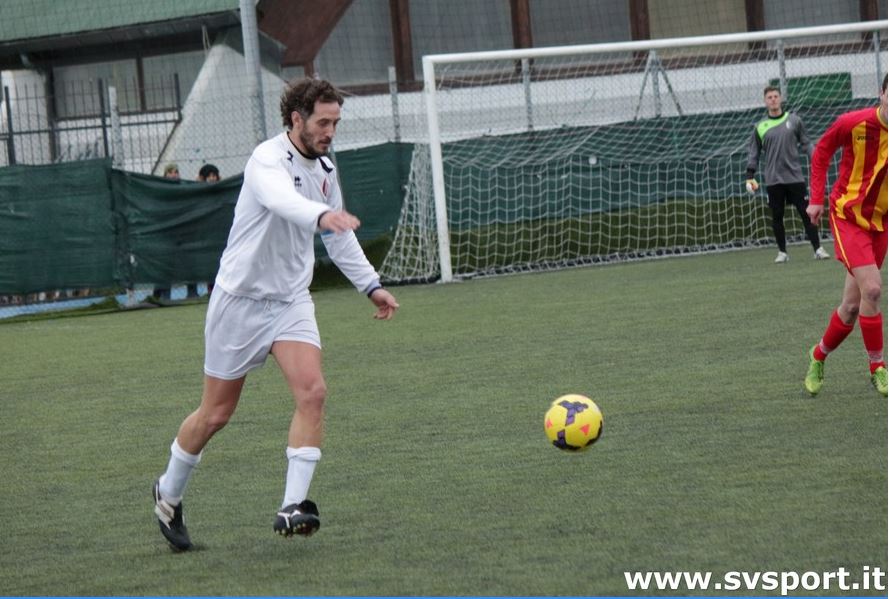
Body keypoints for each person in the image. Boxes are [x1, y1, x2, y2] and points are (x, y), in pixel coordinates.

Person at [151, 78, 400, 551]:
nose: (330, 131)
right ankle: (168, 494)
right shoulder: (267, 159)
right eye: (323, 122)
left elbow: (340, 236)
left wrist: (372, 285)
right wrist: (321, 216)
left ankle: (292, 506)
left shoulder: (326, 168)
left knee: (313, 391)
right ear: (296, 120)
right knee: (215, 414)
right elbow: (282, 201)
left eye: (335, 122)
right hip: (239, 302)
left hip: (290, 300)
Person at [804, 74, 888, 397]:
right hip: (848, 217)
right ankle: (878, 367)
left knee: (852, 306)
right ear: (881, 94)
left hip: (880, 223)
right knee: (874, 288)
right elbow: (822, 152)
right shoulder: (853, 123)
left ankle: (818, 355)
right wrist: (815, 198)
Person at [745, 85, 829, 263]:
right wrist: (750, 174)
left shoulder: (794, 121)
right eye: (770, 97)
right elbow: (754, 152)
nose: (773, 99)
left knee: (807, 214)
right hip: (774, 180)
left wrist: (817, 158)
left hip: (795, 177)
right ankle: (782, 252)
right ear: (765, 101)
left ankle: (818, 249)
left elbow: (806, 143)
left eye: (776, 96)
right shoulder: (760, 127)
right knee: (777, 216)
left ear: (781, 98)